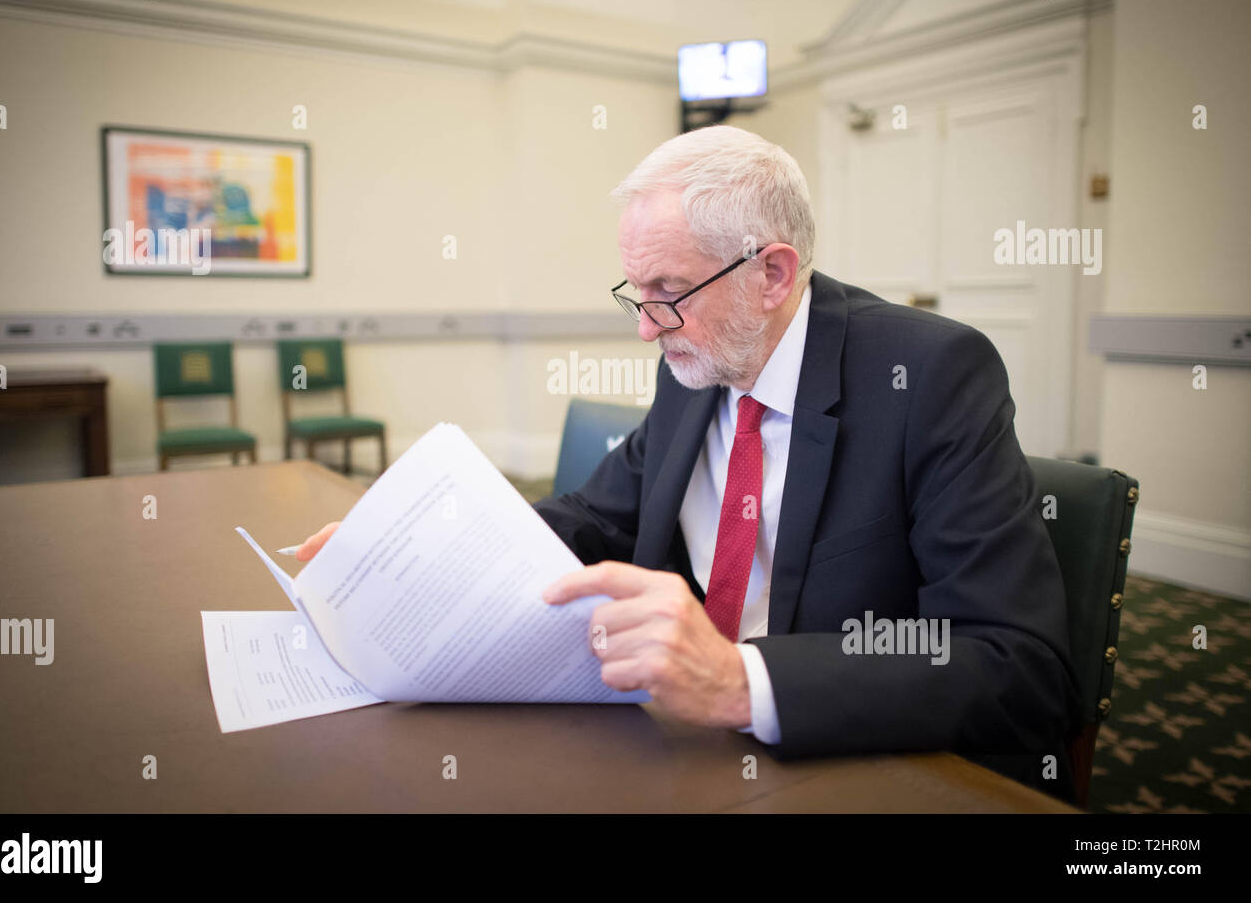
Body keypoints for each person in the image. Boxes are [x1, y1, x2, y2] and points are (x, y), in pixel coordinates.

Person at [297, 125, 1079, 802]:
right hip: (686, 746)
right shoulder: (699, 357)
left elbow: (1019, 666)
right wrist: (422, 554)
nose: (646, 329)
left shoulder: (931, 375)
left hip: (847, 759)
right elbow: (597, 517)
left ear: (772, 274)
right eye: (636, 293)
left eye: (668, 291)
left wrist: (744, 681)